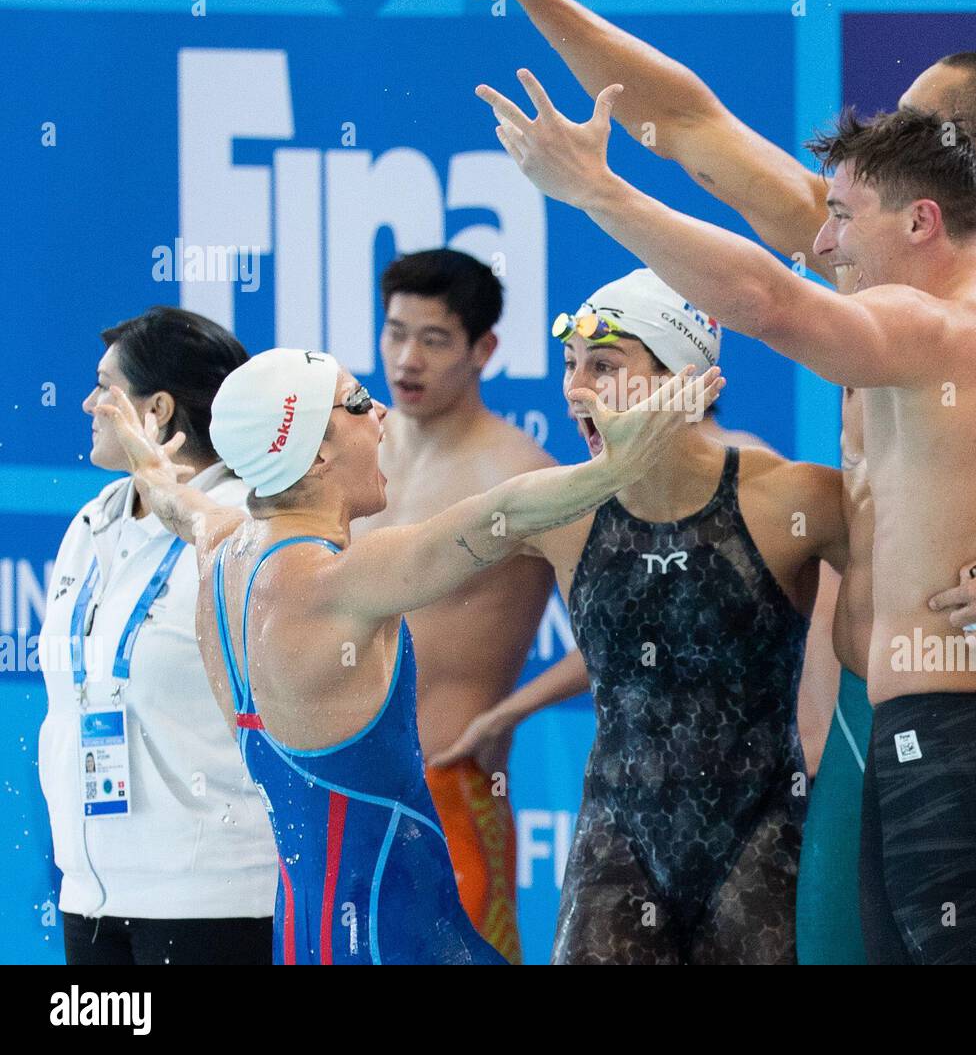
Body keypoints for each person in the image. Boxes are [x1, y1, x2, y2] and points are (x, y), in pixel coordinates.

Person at [399, 0, 976, 961]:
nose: (829, 219)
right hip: (856, 722)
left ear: (969, 163)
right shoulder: (892, 263)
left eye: (904, 130)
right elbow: (690, 125)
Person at [94, 346, 719, 965]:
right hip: (394, 941)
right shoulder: (336, 583)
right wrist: (613, 468)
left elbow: (181, 505)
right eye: (358, 403)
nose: (383, 417)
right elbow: (501, 514)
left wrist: (151, 469)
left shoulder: (222, 547)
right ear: (314, 452)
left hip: (304, 939)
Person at [451, 268, 846, 963]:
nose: (577, 388)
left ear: (680, 378)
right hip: (617, 840)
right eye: (571, 365)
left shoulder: (789, 499)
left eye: (604, 365)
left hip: (762, 835)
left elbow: (910, 584)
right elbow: (392, 575)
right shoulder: (558, 510)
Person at [38, 306, 278, 966]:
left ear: (159, 409)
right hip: (90, 890)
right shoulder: (93, 522)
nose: (87, 403)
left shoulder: (244, 529)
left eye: (103, 387)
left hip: (212, 892)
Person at [354, 249, 556, 963]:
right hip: (339, 779)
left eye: (434, 340)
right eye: (394, 333)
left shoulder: (522, 476)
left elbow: (629, 624)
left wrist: (508, 713)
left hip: (448, 783)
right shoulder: (352, 459)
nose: (407, 359)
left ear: (485, 349)